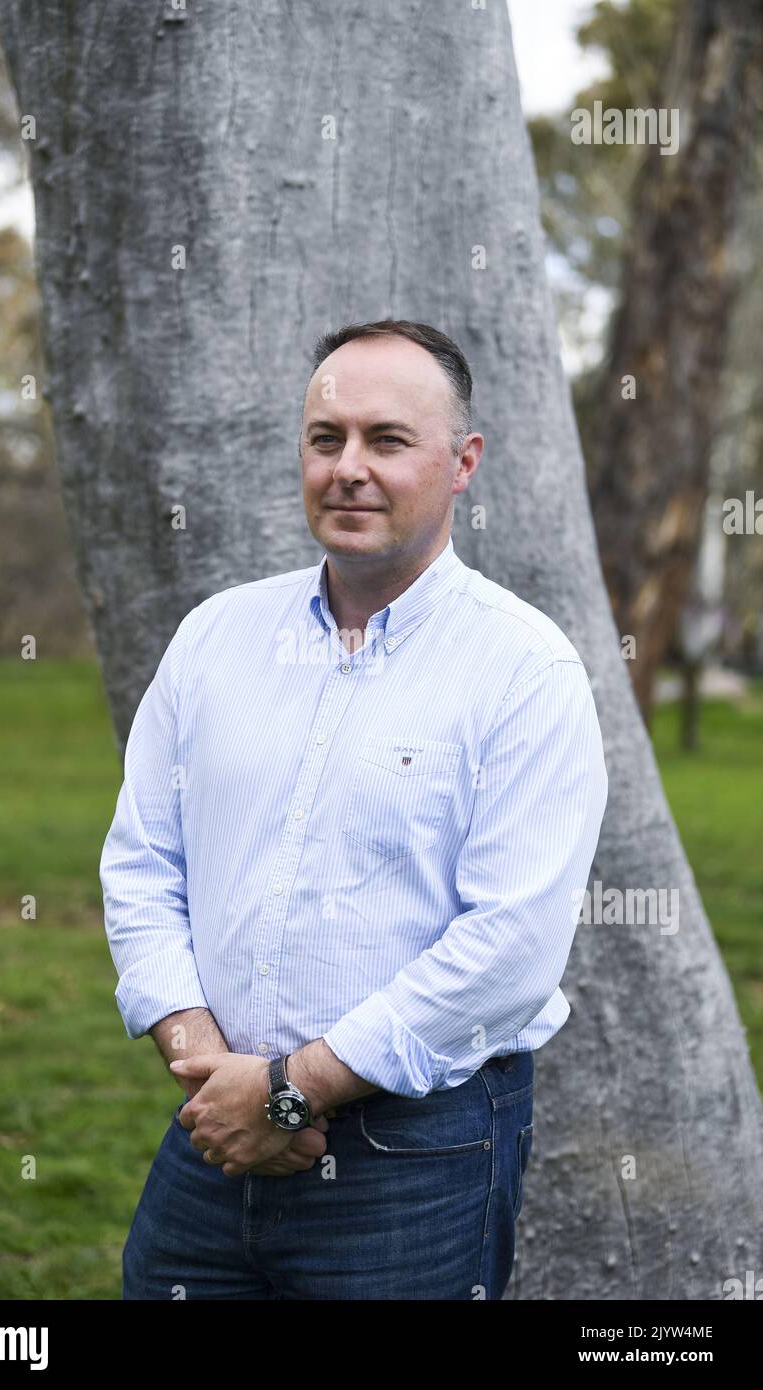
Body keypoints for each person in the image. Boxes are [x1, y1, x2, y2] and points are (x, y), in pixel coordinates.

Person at [100, 319, 609, 1301]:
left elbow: (508, 945)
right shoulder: (215, 638)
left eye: (386, 439)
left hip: (414, 1157)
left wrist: (291, 1088)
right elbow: (142, 862)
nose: (347, 468)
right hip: (215, 1135)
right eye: (324, 438)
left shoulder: (522, 669)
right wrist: (205, 1060)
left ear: (461, 463)